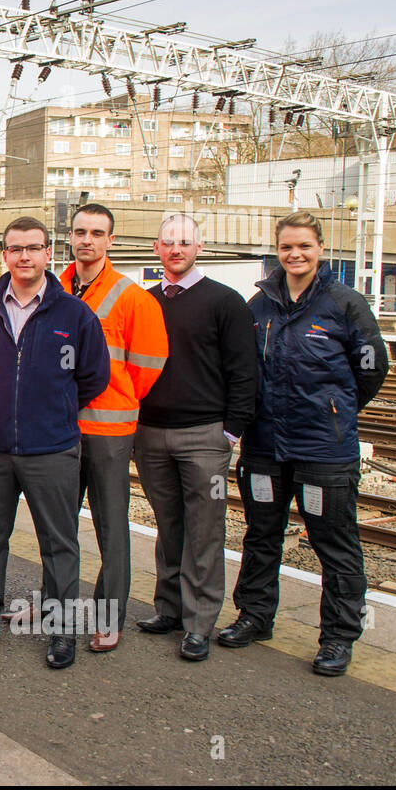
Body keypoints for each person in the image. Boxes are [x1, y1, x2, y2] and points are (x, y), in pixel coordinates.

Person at [222, 211, 386, 676]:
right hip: (265, 447)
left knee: (334, 544)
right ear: (278, 251)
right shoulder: (259, 307)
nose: (295, 255)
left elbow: (372, 367)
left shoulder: (344, 304)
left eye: (304, 246)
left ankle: (337, 636)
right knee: (261, 536)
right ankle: (254, 615)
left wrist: (338, 409)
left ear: (319, 248)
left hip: (324, 452)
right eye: (287, 247)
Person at [0, 215, 109, 669]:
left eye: (33, 248)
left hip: (53, 449)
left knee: (58, 542)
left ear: (49, 253)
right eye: (15, 248)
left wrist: (52, 411)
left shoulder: (74, 314)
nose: (24, 256)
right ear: (4, 255)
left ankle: (62, 630)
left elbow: (93, 376)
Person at [134, 213, 258, 662]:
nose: (176, 250)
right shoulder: (145, 301)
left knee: (204, 530)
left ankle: (199, 622)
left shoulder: (226, 302)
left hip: (204, 435)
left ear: (199, 247)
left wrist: (230, 430)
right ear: (156, 248)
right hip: (149, 433)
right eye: (168, 242)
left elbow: (245, 370)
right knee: (168, 525)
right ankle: (168, 608)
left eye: (184, 242)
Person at [55, 203, 168, 652]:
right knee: (57, 525)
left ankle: (108, 616)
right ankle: (54, 606)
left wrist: (116, 396)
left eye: (97, 233)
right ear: (69, 236)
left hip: (108, 431)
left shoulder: (131, 297)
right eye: (80, 232)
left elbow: (148, 363)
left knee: (110, 527)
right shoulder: (53, 287)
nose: (87, 240)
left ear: (110, 241)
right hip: (61, 429)